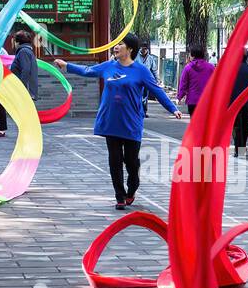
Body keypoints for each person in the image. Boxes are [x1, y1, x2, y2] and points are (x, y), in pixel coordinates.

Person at [55, 32, 181, 209]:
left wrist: (173, 108)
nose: (115, 46)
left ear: (129, 49)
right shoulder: (109, 66)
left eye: (120, 44)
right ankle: (119, 197)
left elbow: (157, 90)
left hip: (131, 123)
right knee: (114, 160)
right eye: (115, 44)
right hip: (110, 121)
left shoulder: (141, 71)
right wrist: (66, 65)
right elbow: (87, 71)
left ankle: (132, 190)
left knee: (131, 162)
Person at [176, 47, 215, 116]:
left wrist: (179, 97)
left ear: (193, 56)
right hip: (207, 100)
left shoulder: (188, 68)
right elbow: (216, 82)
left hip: (192, 100)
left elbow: (183, 84)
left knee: (194, 122)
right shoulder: (211, 67)